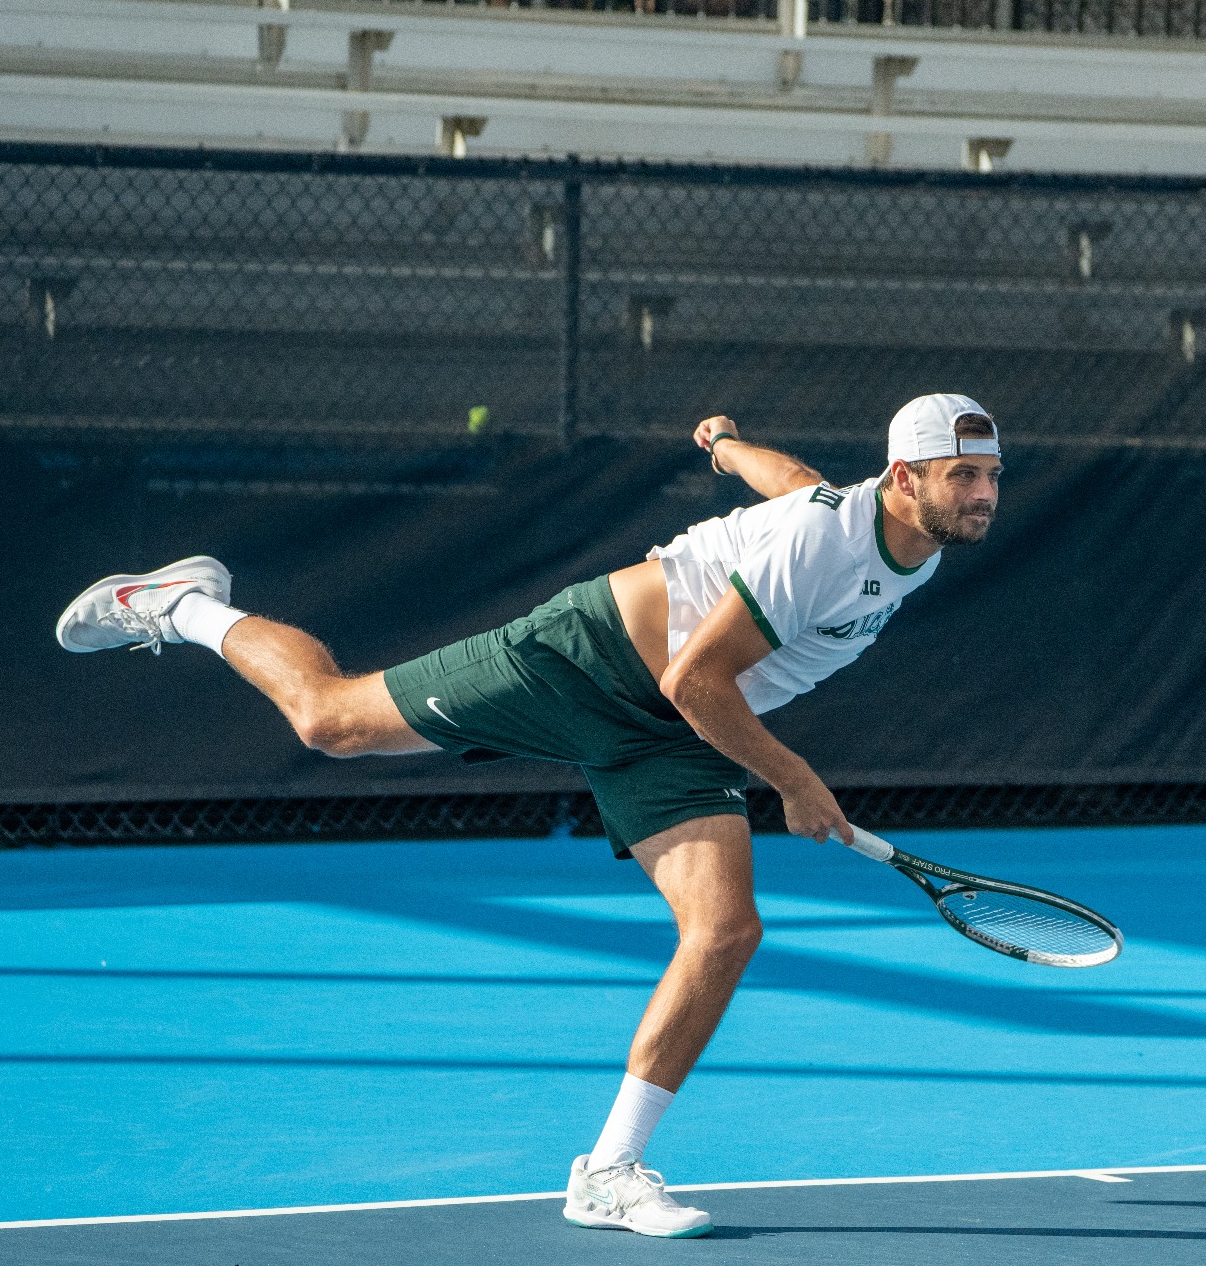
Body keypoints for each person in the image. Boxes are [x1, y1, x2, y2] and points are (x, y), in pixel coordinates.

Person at [53, 394, 1001, 1238]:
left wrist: (726, 444)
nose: (983, 493)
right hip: (593, 659)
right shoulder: (830, 542)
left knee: (725, 931)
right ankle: (180, 607)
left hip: (675, 727)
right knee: (331, 720)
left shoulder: (905, 541)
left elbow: (791, 480)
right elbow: (695, 674)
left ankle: (609, 1171)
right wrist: (795, 779)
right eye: (963, 474)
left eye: (992, 474)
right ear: (903, 475)